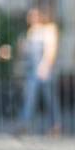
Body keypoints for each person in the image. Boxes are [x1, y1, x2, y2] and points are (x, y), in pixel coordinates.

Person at [20, 7, 62, 135]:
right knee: (30, 98)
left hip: (43, 70)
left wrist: (45, 67)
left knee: (49, 99)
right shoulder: (31, 32)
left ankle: (55, 125)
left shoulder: (49, 29)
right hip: (32, 71)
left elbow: (51, 50)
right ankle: (25, 124)